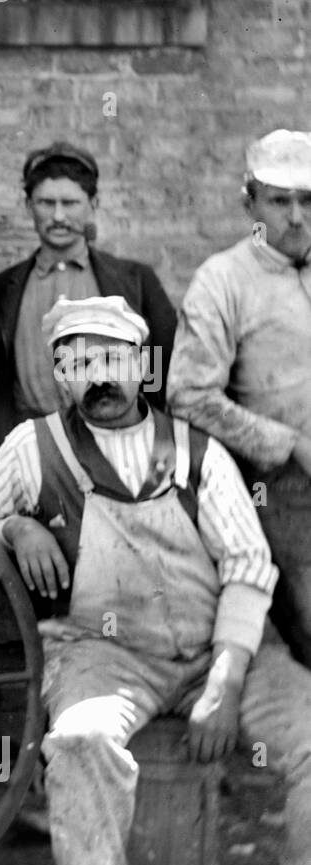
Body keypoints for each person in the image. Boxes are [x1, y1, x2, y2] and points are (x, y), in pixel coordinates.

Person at [0, 294, 311, 865]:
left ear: (142, 366)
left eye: (111, 359)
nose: (96, 375)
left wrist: (226, 675)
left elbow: (250, 565)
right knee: (81, 741)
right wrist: (15, 529)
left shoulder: (197, 451)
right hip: (103, 656)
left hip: (221, 648)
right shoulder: (33, 448)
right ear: (60, 375)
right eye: (77, 362)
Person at [168, 129, 311, 668]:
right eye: (279, 201)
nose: (295, 217)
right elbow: (187, 394)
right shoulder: (222, 281)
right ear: (248, 202)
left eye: (307, 201)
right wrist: (290, 443)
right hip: (281, 493)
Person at [0, 141, 176, 452]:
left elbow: (160, 357)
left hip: (117, 440)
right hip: (34, 447)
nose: (58, 216)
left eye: (70, 203)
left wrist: (140, 415)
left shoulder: (134, 280)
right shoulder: (2, 289)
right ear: (28, 206)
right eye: (46, 203)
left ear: (93, 203)